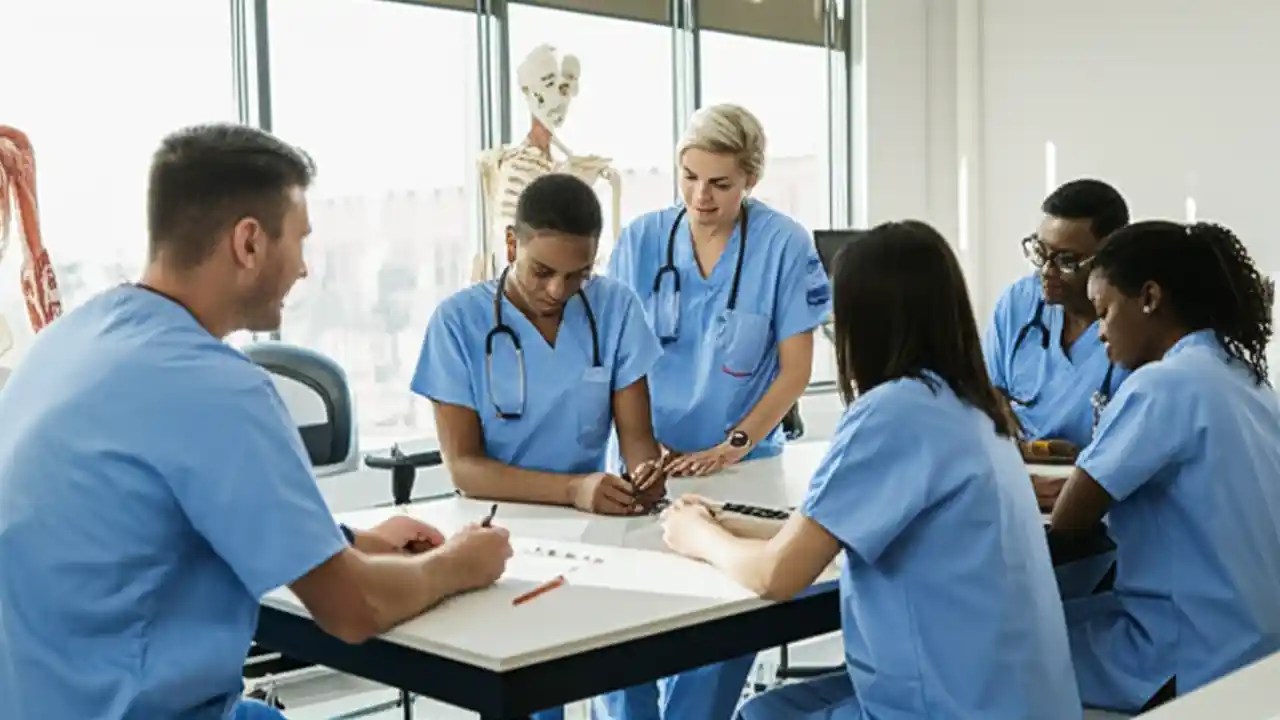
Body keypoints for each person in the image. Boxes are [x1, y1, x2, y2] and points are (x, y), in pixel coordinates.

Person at [0, 124, 514, 720]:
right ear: (248, 242)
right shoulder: (217, 384)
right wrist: (459, 564)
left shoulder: (69, 341)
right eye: (299, 240)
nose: (303, 268)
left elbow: (146, 522)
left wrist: (345, 543)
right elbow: (354, 608)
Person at [662, 220, 1080, 719]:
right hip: (1013, 700)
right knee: (768, 709)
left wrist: (696, 536)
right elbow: (858, 529)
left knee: (760, 715)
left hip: (951, 708)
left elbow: (777, 576)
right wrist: (729, 521)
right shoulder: (973, 408)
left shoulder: (893, 411)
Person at [597, 104, 831, 720]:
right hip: (646, 461)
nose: (701, 196)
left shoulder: (783, 244)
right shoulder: (643, 240)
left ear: (750, 179)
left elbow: (795, 370)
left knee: (722, 623)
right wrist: (644, 452)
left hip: (741, 465)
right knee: (627, 623)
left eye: (720, 183)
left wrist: (732, 445)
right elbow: (620, 361)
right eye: (689, 177)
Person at [1050, 220, 1280, 713]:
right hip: (1257, 642)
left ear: (1149, 298)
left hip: (1188, 656)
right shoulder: (1247, 379)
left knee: (1009, 650)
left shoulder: (1162, 384)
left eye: (1104, 312)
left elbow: (1070, 518)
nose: (1099, 333)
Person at [412, 173, 666, 519]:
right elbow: (464, 468)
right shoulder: (457, 322)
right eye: (542, 271)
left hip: (591, 517)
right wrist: (572, 489)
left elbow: (637, 440)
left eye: (579, 273)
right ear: (512, 244)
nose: (558, 291)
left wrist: (645, 475)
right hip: (494, 516)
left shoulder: (616, 308)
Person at [983, 179, 1131, 508]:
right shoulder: (1019, 303)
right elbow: (987, 389)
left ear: (1108, 257)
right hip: (1019, 485)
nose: (1046, 272)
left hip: (1091, 497)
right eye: (1040, 252)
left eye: (1066, 260)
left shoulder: (1132, 330)